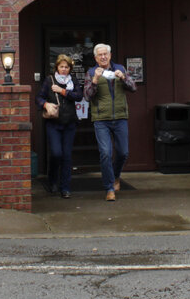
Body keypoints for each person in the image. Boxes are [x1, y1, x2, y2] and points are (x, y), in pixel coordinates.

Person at [84, 43, 136, 201]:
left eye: (105, 54)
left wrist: (123, 77)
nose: (103, 57)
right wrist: (94, 80)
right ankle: (109, 188)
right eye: (100, 55)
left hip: (120, 118)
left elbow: (133, 87)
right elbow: (87, 96)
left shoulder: (119, 68)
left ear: (110, 55)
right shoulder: (92, 72)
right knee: (105, 153)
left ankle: (116, 176)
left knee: (123, 153)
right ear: (95, 58)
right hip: (101, 120)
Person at [36, 54, 83, 198]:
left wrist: (62, 91)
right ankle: (52, 181)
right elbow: (38, 98)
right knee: (56, 153)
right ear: (57, 67)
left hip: (70, 123)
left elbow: (79, 96)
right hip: (54, 123)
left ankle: (65, 188)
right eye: (61, 66)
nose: (64, 69)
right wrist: (45, 104)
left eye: (67, 67)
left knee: (67, 156)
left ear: (70, 68)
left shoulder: (73, 80)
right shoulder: (49, 80)